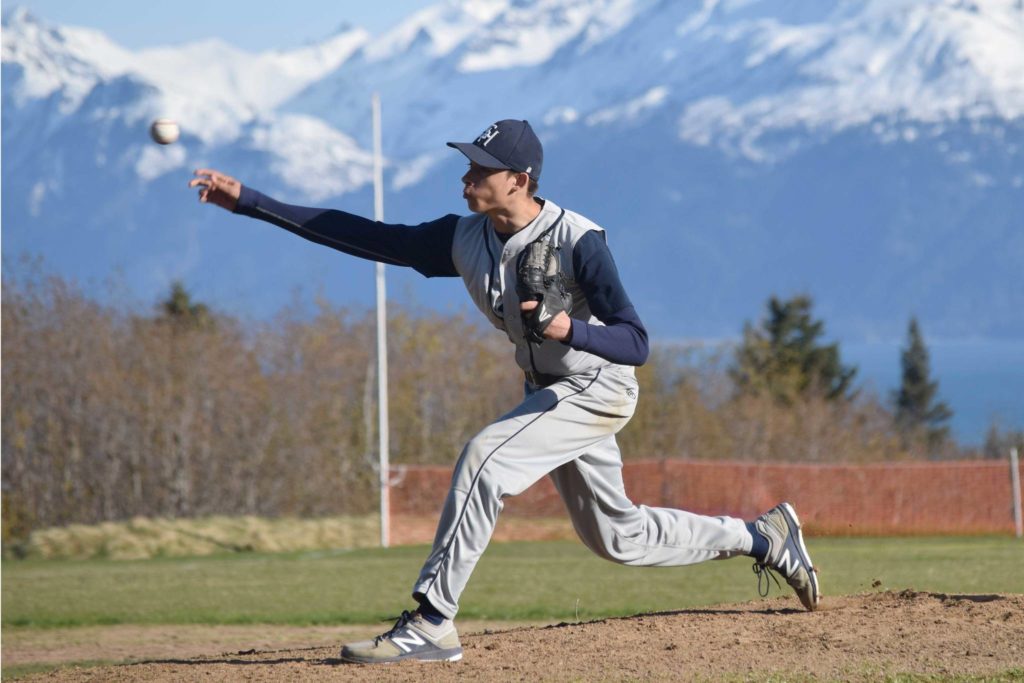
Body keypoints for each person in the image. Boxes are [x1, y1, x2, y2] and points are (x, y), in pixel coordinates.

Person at [189, 119, 820, 665]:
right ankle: (763, 538)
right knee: (618, 538)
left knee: (485, 458)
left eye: (480, 169)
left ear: (518, 178)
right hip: (547, 391)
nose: (466, 178)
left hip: (597, 385)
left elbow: (636, 343)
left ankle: (432, 621)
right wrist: (250, 201)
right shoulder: (462, 236)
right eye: (468, 166)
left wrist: (568, 326)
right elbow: (364, 235)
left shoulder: (580, 240)